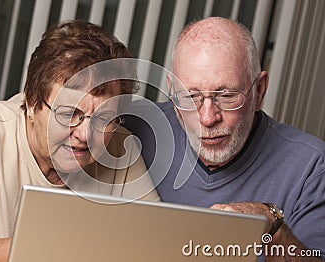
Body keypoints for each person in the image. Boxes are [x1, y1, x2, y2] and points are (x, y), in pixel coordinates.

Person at [0, 20, 159, 261]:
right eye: (69, 115)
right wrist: (51, 248)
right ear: (32, 103)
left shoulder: (121, 148)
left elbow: (158, 244)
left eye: (104, 118)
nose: (85, 135)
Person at [124, 17, 325, 261]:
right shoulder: (131, 129)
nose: (207, 118)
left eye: (227, 95)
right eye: (191, 96)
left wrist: (272, 226)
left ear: (259, 90)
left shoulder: (312, 166)